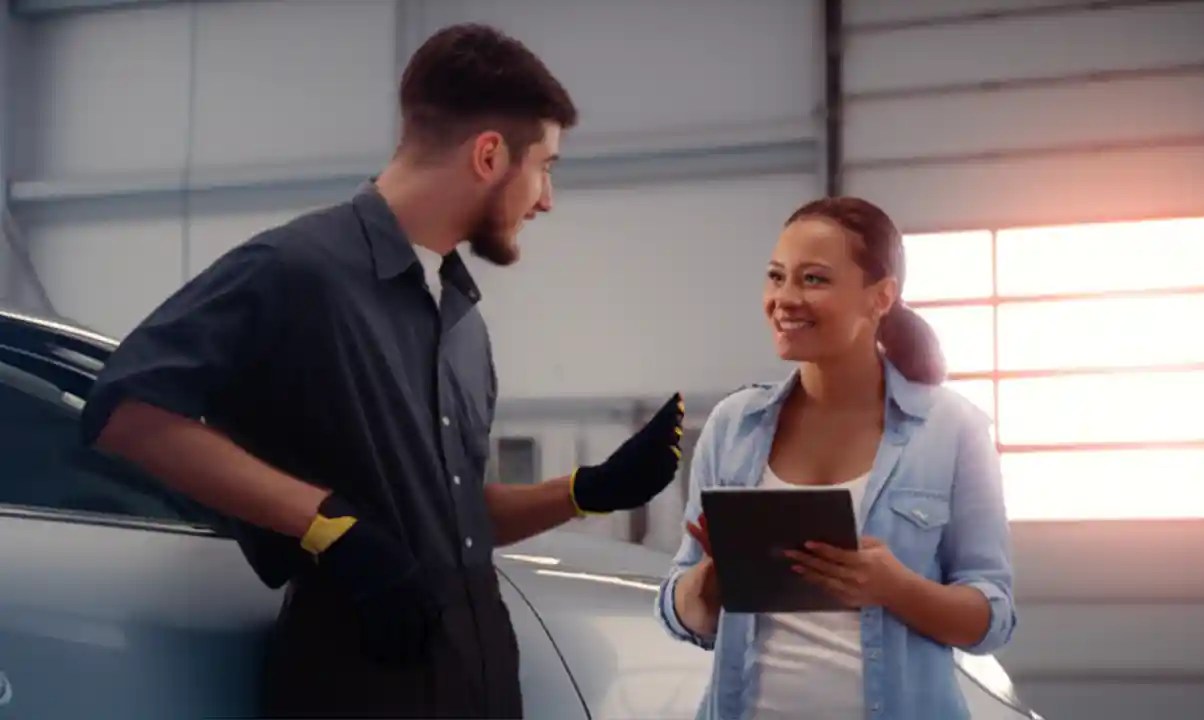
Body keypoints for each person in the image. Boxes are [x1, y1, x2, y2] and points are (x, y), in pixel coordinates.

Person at [80, 23, 685, 719]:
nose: (546, 198)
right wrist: (325, 525)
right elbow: (126, 410)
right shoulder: (297, 270)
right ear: (489, 155)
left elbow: (448, 522)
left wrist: (587, 489)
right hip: (360, 677)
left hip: (481, 677)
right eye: (545, 166)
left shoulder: (462, 321)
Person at [655, 196, 1016, 719]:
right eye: (776, 277)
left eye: (814, 279)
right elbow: (678, 610)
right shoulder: (734, 425)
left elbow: (993, 619)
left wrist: (896, 588)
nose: (784, 298)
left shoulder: (953, 430)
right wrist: (707, 585)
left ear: (881, 297)